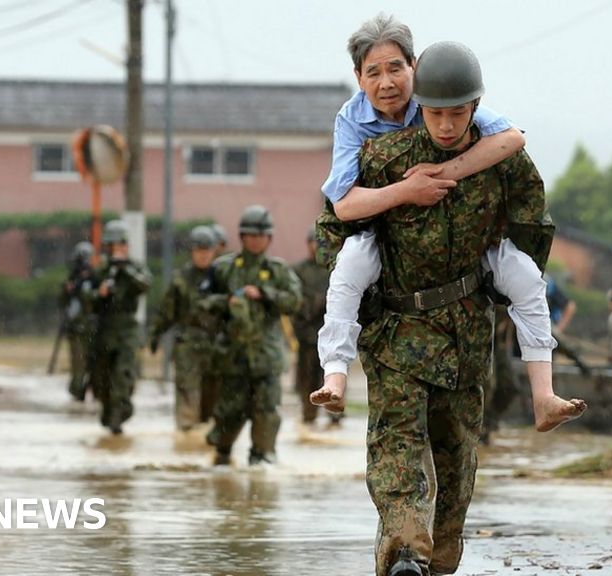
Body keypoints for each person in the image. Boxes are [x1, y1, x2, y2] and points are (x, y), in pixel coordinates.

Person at [315, 41, 571, 575]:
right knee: (396, 448)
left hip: (465, 336)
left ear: (476, 109)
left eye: (459, 113)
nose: (448, 125)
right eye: (436, 113)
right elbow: (332, 226)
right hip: (396, 331)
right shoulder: (383, 160)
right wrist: (394, 207)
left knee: (456, 465)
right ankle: (404, 549)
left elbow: (532, 222)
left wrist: (507, 271)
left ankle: (439, 553)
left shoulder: (503, 162)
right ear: (419, 107)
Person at [310, 13, 584, 434]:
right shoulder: (352, 121)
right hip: (388, 238)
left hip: (466, 239)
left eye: (396, 68)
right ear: (358, 77)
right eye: (374, 72)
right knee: (346, 271)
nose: (387, 83)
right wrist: (408, 189)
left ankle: (544, 396)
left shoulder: (441, 95)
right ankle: (334, 375)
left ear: (414, 67)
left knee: (528, 279)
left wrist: (447, 171)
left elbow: (512, 139)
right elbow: (343, 204)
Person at [202, 205, 302, 466]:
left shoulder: (278, 270)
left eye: (261, 236)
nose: (256, 241)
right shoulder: (223, 268)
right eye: (250, 235)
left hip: (266, 356)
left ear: (269, 239)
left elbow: (293, 301)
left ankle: (262, 457)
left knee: (266, 410)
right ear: (242, 237)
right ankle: (222, 452)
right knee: (229, 412)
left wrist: (265, 293)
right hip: (232, 355)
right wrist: (228, 302)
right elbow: (203, 302)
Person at [148, 226, 219, 431]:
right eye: (199, 250)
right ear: (192, 251)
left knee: (213, 396)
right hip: (188, 345)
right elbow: (166, 312)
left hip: (216, 346)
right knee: (188, 393)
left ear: (214, 251)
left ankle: (208, 439)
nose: (203, 255)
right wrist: (155, 335)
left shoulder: (221, 277)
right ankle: (187, 440)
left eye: (207, 250)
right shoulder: (181, 279)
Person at [91, 220, 152, 435]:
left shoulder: (135, 268)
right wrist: (99, 293)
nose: (117, 250)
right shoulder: (101, 270)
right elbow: (87, 299)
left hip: (127, 329)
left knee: (123, 374)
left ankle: (120, 414)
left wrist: (124, 270)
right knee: (102, 379)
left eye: (120, 245)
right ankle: (110, 413)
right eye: (113, 246)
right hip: (105, 329)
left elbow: (144, 285)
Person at [291, 228, 341, 426]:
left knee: (332, 375)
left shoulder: (334, 268)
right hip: (307, 335)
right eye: (313, 242)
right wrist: (314, 303)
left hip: (331, 335)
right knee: (307, 379)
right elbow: (295, 301)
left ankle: (335, 415)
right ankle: (308, 415)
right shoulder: (298, 270)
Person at [199, 223, 231, 423]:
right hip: (202, 338)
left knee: (222, 384)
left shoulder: (228, 268)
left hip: (224, 336)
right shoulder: (194, 273)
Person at [60, 241, 98, 402]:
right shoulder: (72, 278)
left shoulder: (95, 277)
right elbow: (63, 303)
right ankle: (77, 392)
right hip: (76, 329)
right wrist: (69, 290)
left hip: (93, 328)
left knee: (95, 365)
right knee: (78, 366)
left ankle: (95, 390)